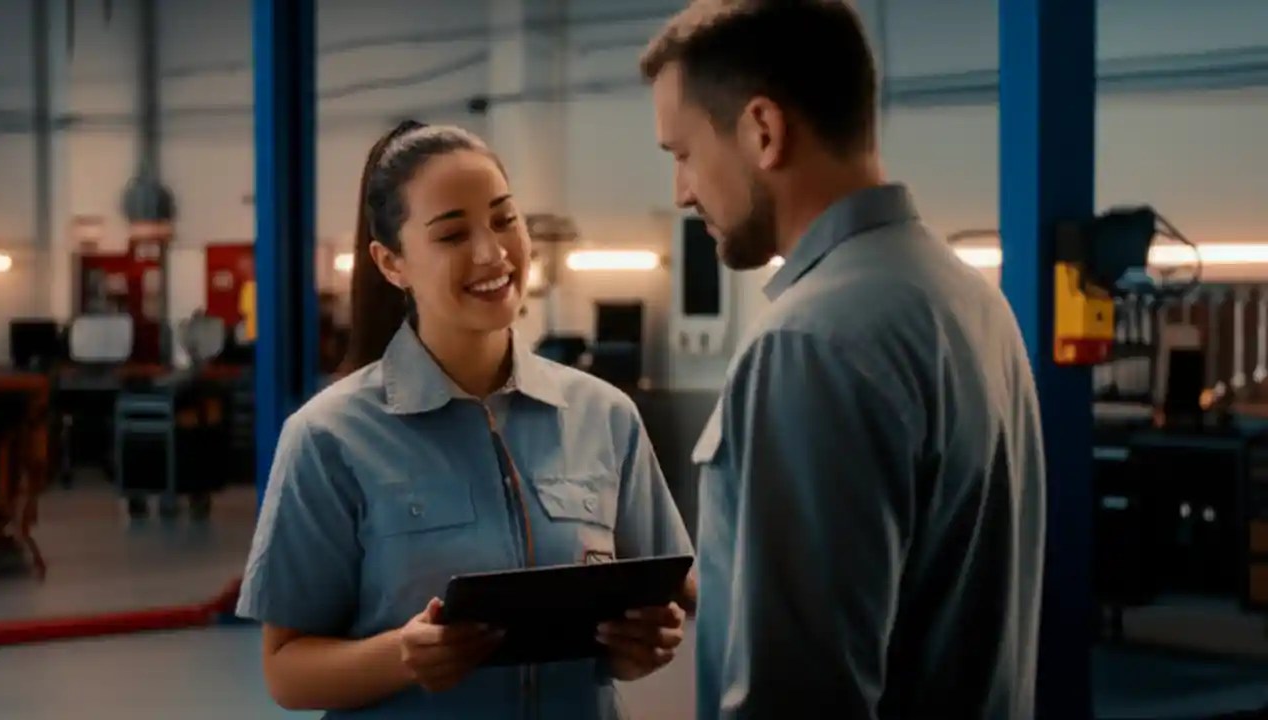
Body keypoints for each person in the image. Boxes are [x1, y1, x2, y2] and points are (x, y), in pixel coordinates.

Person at [641, 2, 1046, 718]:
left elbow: (798, 696)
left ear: (762, 131)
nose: (681, 191)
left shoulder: (808, 343)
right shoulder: (968, 299)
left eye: (682, 154)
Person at [237, 121, 695, 718]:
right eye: (452, 234)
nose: (492, 253)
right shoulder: (331, 437)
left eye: (505, 219)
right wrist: (402, 655)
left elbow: (662, 608)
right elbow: (287, 673)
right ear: (392, 263)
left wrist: (642, 647)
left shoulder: (604, 416)